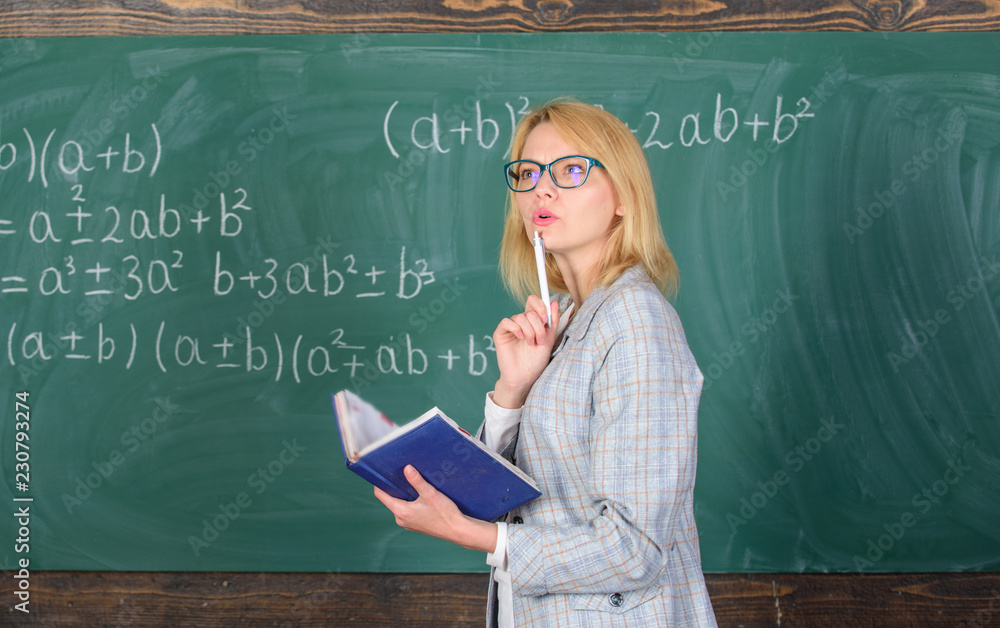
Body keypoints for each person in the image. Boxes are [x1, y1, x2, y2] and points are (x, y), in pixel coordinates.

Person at [374, 98, 717, 627]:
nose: (543, 188)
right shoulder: (574, 321)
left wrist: (474, 536)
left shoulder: (636, 322)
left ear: (623, 195)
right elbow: (505, 497)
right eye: (529, 172)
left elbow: (636, 547)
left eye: (572, 170)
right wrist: (513, 389)